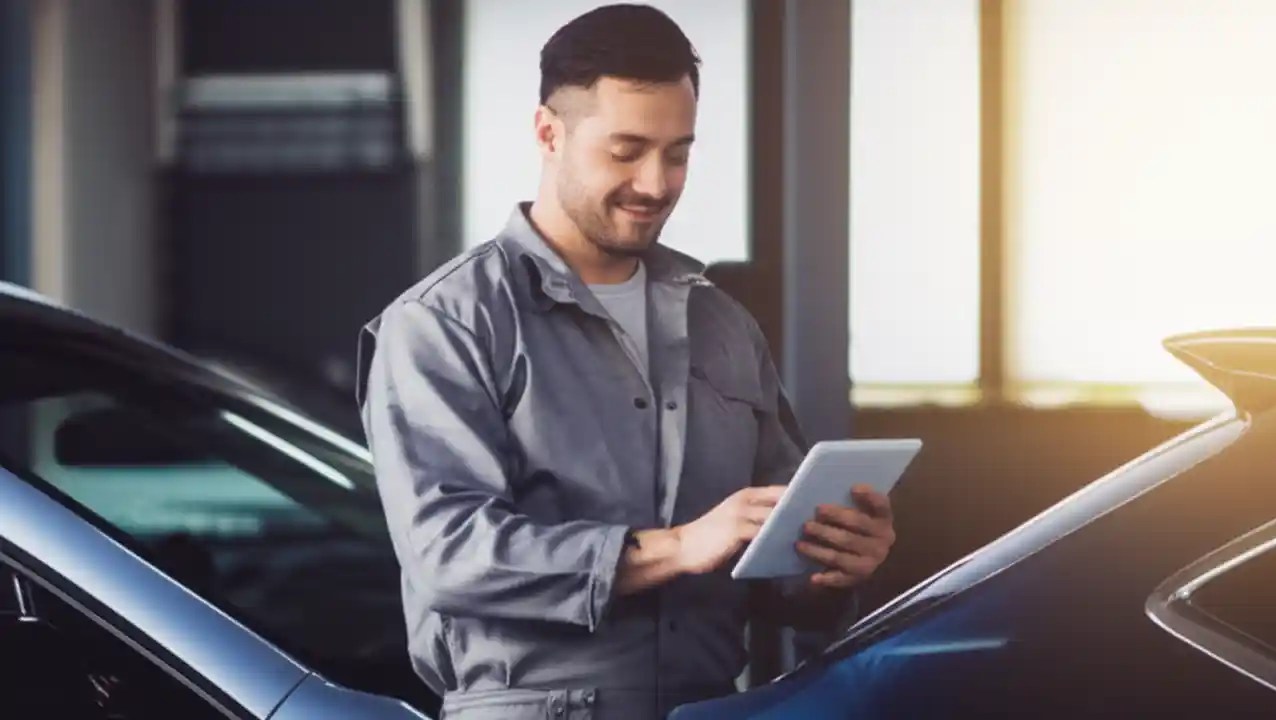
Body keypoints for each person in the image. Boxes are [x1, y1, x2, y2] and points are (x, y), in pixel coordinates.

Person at [356, 5, 895, 719]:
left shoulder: (724, 325)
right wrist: (675, 547)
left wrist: (832, 564)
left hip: (710, 707)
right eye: (626, 150)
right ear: (549, 133)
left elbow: (771, 559)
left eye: (678, 153)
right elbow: (451, 554)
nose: (656, 183)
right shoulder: (445, 324)